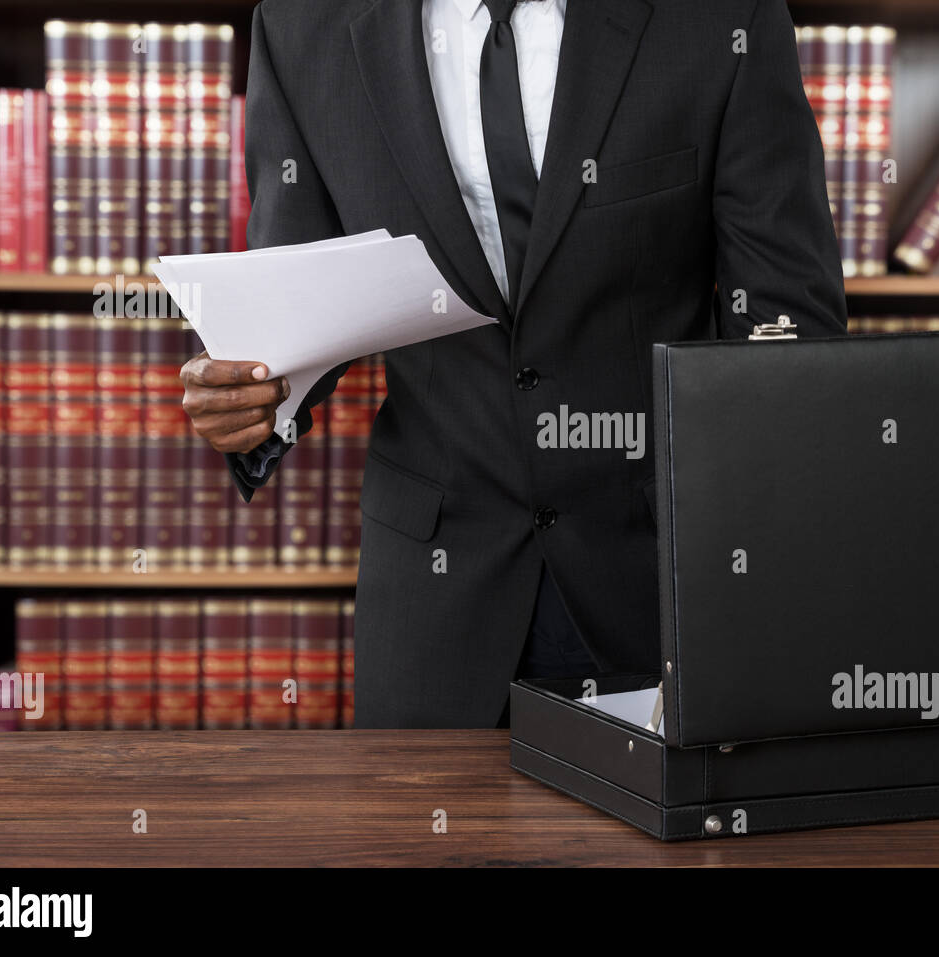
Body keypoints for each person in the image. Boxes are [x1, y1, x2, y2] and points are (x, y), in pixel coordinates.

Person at [179, 0, 846, 727]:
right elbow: (299, 299)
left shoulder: (721, 18)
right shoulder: (304, 26)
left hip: (659, 583)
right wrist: (253, 399)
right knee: (429, 844)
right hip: (432, 603)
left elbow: (787, 324)